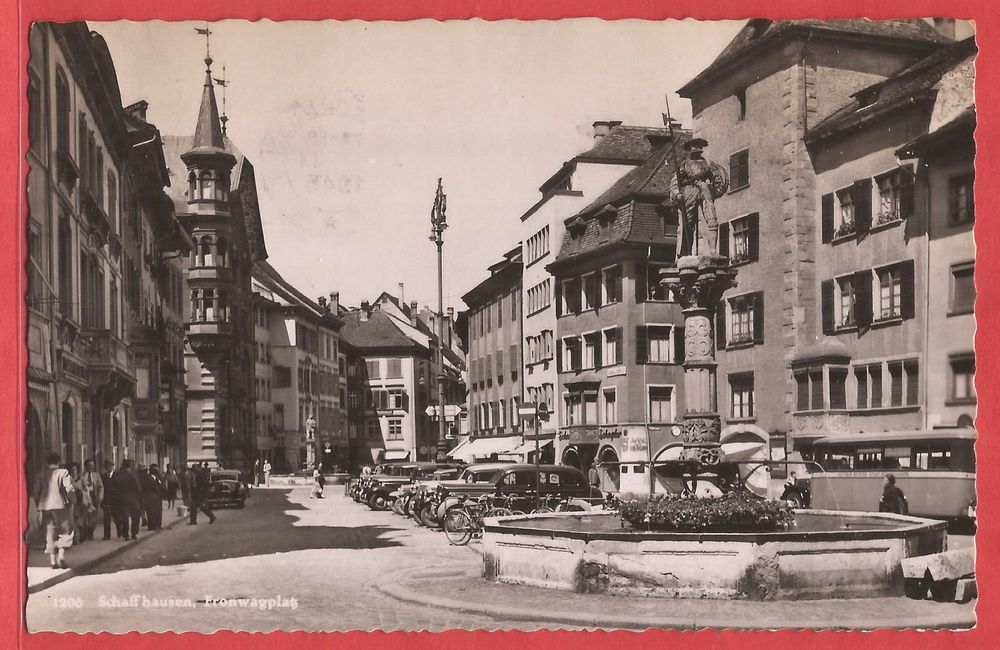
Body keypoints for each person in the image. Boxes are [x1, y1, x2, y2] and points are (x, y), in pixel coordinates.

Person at [669, 137, 729, 258]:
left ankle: (713, 251)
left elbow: (718, 177)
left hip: (704, 190)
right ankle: (685, 254)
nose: (697, 148)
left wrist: (714, 191)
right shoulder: (684, 165)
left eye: (699, 145)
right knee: (687, 224)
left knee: (712, 220)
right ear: (689, 148)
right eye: (694, 145)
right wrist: (677, 194)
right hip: (689, 191)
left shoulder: (708, 163)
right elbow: (675, 183)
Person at [32, 453, 76, 568]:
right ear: (59, 462)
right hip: (61, 506)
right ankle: (61, 556)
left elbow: (36, 492)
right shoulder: (63, 472)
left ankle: (52, 561)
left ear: (47, 463)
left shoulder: (41, 475)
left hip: (45, 507)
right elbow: (69, 489)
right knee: (65, 531)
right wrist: (72, 501)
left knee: (50, 532)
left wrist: (39, 505)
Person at [117, 460, 143, 540]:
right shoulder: (133, 475)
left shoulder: (120, 476)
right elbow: (138, 488)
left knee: (125, 518)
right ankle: (134, 534)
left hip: (123, 500)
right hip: (133, 500)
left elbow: (117, 489)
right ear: (130, 467)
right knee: (135, 517)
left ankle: (126, 535)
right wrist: (138, 498)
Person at [78, 459, 103, 542]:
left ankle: (90, 533)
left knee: (93, 517)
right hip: (85, 498)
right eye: (89, 465)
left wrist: (100, 496)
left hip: (94, 497)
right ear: (86, 466)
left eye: (93, 465)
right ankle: (84, 533)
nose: (91, 467)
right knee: (84, 516)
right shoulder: (81, 475)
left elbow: (101, 486)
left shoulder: (96, 475)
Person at [100, 461, 122, 540]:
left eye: (109, 466)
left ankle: (119, 530)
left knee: (117, 518)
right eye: (106, 467)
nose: (108, 468)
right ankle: (107, 535)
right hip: (106, 501)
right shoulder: (102, 477)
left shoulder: (117, 476)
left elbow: (120, 488)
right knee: (106, 519)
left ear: (112, 467)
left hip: (115, 501)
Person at [66, 462, 86, 544]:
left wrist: (83, 490)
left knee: (78, 519)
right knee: (72, 520)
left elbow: (85, 488)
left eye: (75, 470)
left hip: (80, 501)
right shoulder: (67, 479)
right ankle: (74, 538)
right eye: (71, 470)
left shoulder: (81, 478)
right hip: (71, 501)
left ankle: (80, 535)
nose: (73, 472)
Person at [141, 464, 165, 530]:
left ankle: (158, 525)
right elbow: (146, 489)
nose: (158, 470)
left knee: (158, 512)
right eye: (156, 469)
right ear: (152, 470)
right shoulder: (149, 478)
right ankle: (152, 526)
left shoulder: (157, 478)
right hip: (151, 498)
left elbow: (161, 486)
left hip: (158, 498)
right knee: (152, 512)